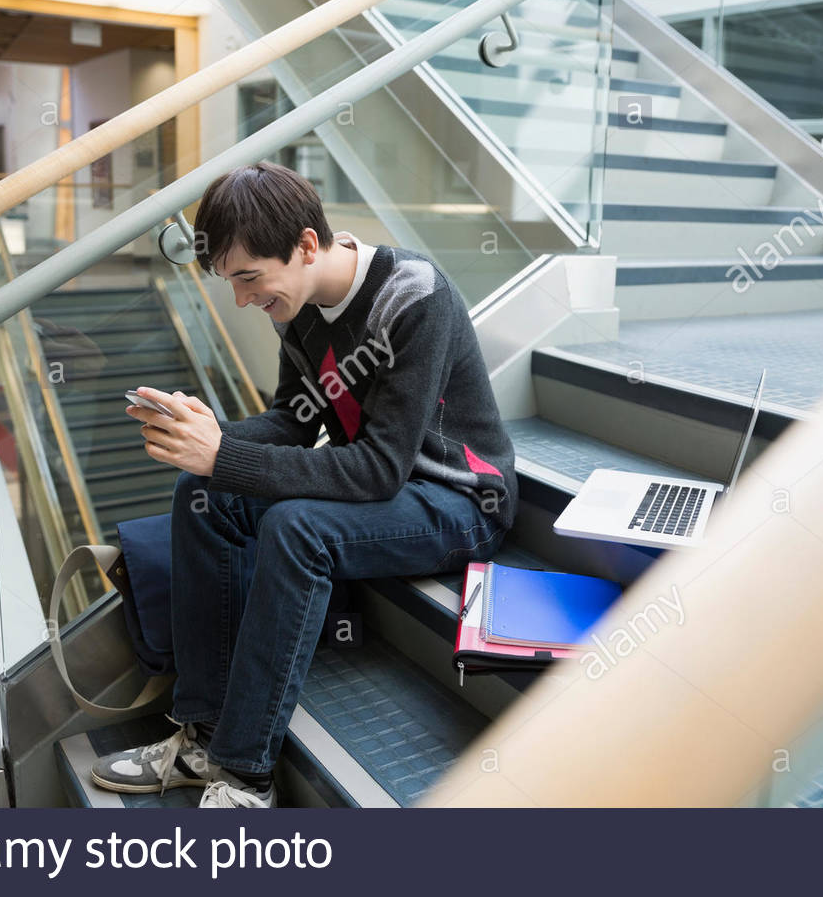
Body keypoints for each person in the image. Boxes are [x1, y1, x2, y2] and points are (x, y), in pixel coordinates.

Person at [89, 161, 518, 807]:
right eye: (232, 281)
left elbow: (378, 469)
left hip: (458, 499)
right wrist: (212, 436)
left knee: (297, 528)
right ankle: (203, 731)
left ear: (307, 246)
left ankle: (243, 772)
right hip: (386, 489)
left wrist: (223, 455)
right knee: (202, 496)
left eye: (249, 279)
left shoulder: (414, 296)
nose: (242, 300)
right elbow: (294, 421)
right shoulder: (296, 306)